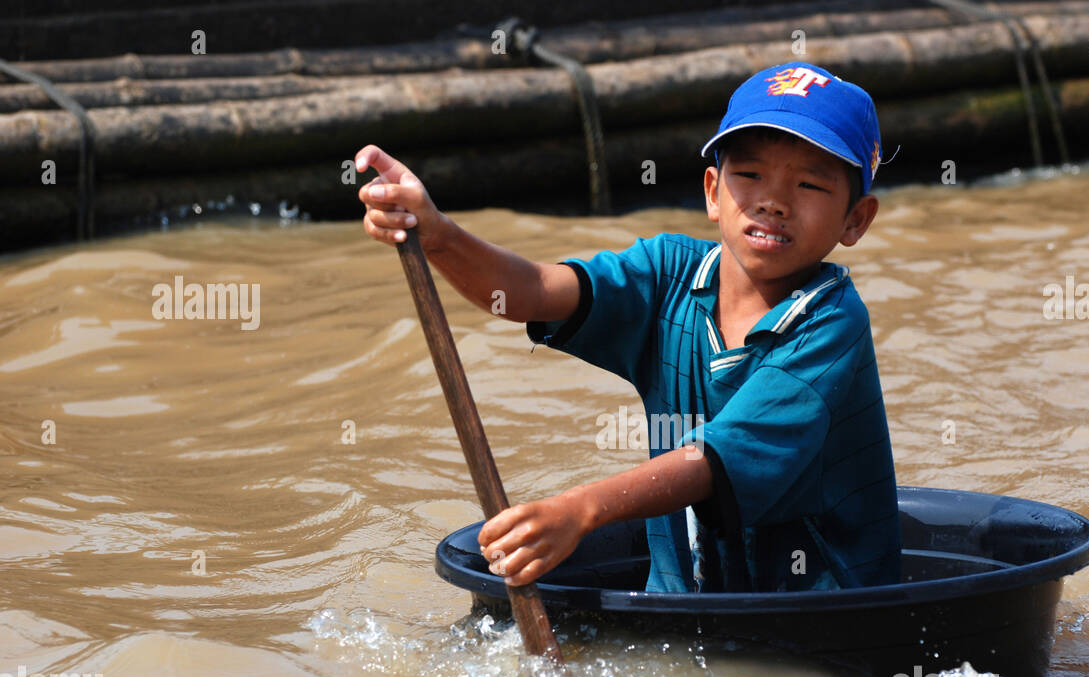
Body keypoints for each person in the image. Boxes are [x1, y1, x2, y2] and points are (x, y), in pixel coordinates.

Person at [357, 61, 900, 593]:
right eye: (750, 175)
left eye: (809, 184)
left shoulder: (831, 322)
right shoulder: (667, 274)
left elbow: (714, 461)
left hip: (823, 605)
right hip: (686, 605)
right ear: (713, 191)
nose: (773, 202)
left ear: (856, 220)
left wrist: (580, 510)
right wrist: (438, 234)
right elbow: (530, 291)